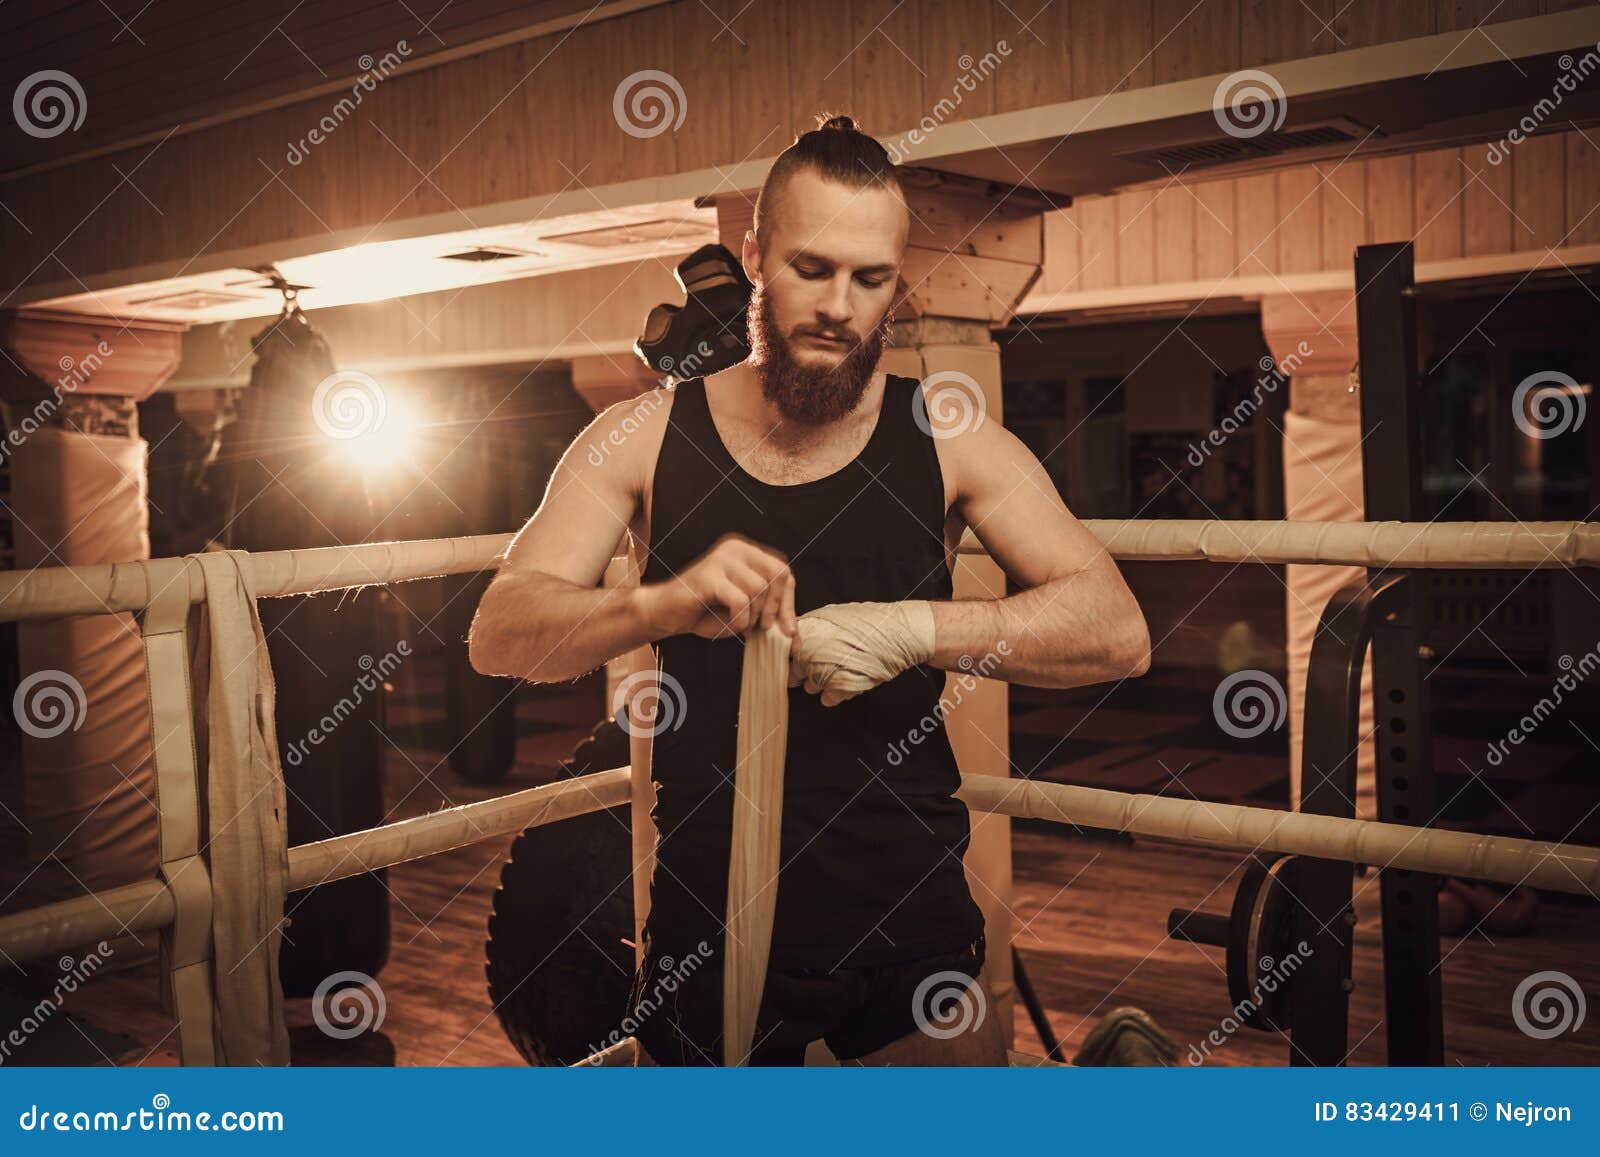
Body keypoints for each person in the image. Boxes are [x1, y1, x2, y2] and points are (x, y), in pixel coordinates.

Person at [468, 113, 1151, 1066]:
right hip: (709, 922)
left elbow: (1117, 629)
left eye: (870, 279)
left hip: (908, 918)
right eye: (812, 268)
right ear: (755, 257)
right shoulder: (643, 437)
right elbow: (500, 633)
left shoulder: (948, 435)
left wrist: (916, 629)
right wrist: (660, 603)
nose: (839, 305)